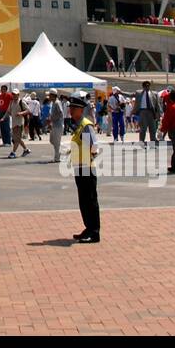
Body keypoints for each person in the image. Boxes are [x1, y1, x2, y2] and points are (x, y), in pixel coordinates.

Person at [67, 96, 100, 243]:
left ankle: (94, 232)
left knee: (90, 200)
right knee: (83, 200)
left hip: (86, 167)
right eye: (70, 108)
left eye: (73, 109)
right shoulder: (78, 125)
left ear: (81, 110)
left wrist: (88, 157)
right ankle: (88, 228)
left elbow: (93, 147)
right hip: (79, 167)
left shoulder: (86, 125)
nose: (71, 111)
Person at [8, 92, 30, 158]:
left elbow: (28, 110)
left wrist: (21, 113)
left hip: (20, 123)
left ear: (18, 95)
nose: (14, 95)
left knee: (16, 139)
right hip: (14, 123)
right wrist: (4, 117)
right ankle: (26, 149)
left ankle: (13, 152)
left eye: (15, 94)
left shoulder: (21, 102)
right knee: (17, 138)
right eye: (13, 94)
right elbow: (8, 111)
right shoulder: (11, 102)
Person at [47, 91, 64, 163]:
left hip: (58, 125)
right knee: (52, 140)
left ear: (53, 95)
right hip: (54, 125)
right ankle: (59, 151)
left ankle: (57, 158)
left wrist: (53, 119)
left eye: (50, 95)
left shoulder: (57, 103)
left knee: (56, 142)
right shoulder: (53, 103)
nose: (49, 97)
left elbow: (60, 113)